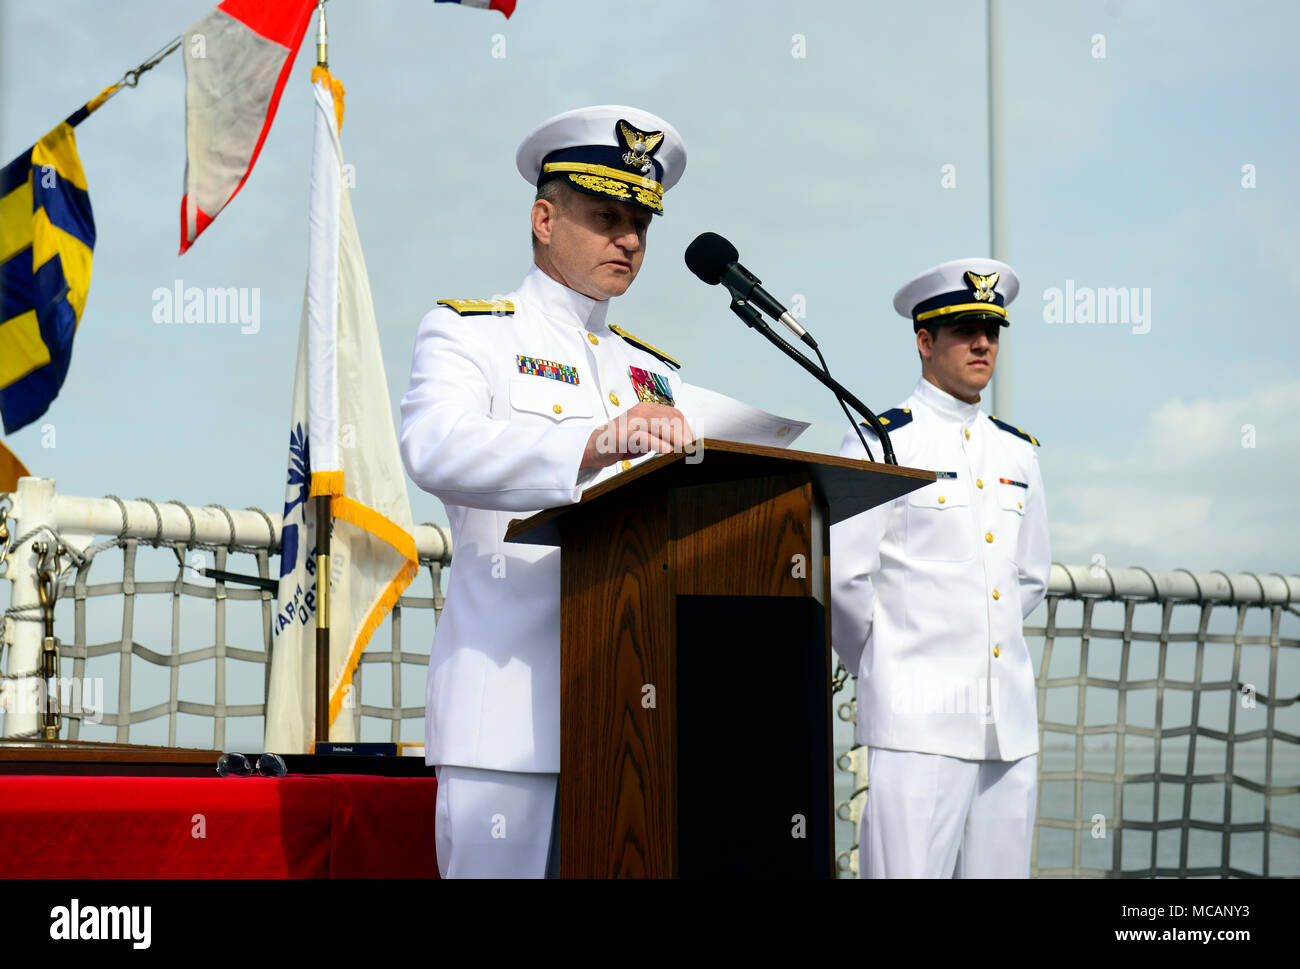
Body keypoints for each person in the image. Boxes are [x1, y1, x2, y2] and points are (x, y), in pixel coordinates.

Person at [399, 105, 697, 878]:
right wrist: (590, 444)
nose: (628, 239)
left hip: (631, 718)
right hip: (504, 720)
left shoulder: (653, 372)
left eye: (641, 222)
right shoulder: (470, 332)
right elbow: (435, 447)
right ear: (543, 218)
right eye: (606, 217)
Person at [830, 258, 1051, 878]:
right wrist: (892, 662)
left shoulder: (1018, 452)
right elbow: (844, 576)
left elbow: (1029, 575)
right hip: (916, 719)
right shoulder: (882, 442)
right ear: (925, 341)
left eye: (991, 328)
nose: (982, 343)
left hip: (1006, 724)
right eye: (963, 329)